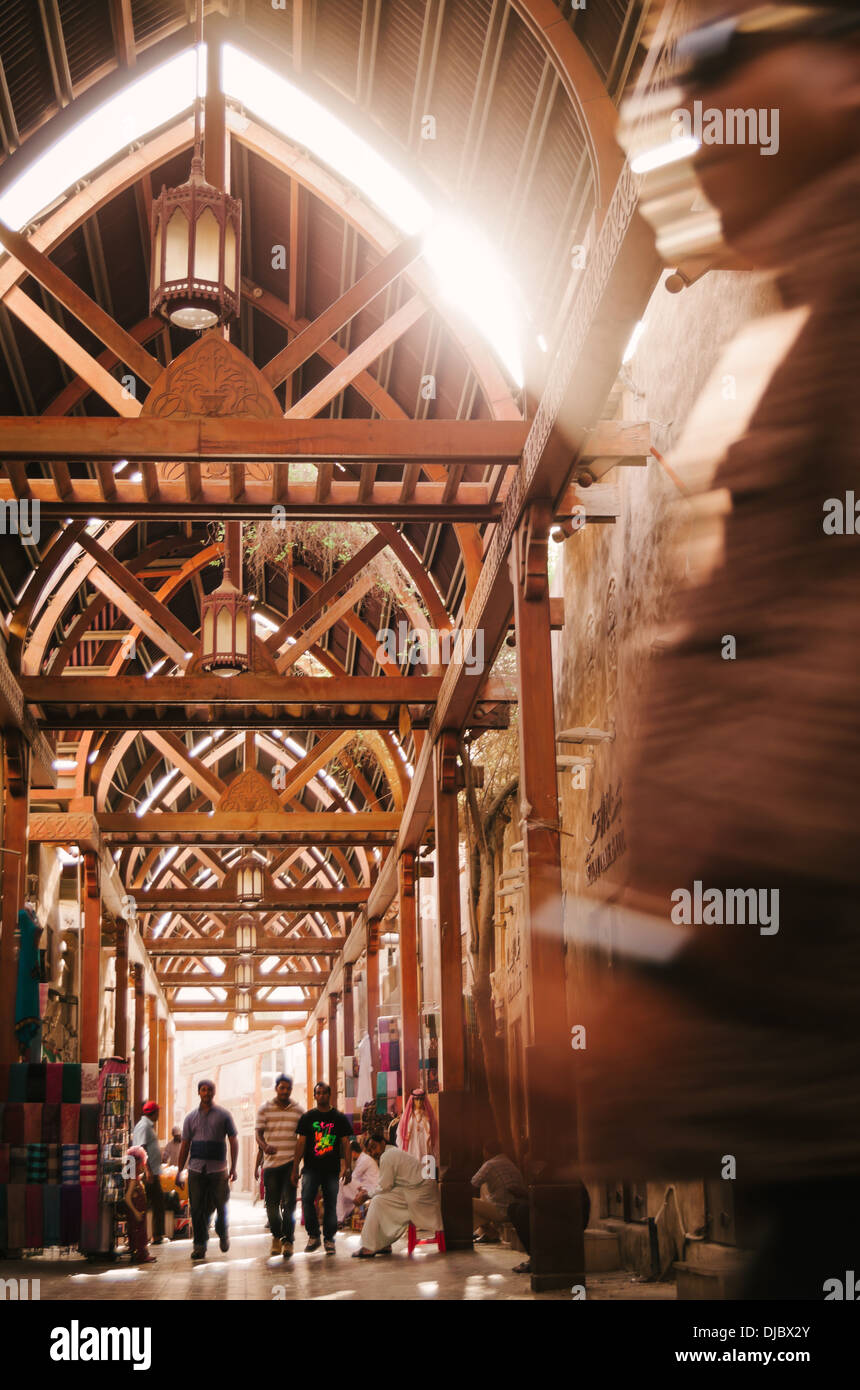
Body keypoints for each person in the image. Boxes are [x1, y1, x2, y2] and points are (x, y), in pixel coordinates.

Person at [578, 0, 860, 1299]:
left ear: (839, 66)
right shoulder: (803, 309)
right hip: (789, 1074)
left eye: (718, 53)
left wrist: (680, 930)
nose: (694, 109)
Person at [353, 1130, 443, 1258]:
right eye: (370, 1151)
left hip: (419, 1194)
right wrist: (368, 1193)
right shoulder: (393, 1153)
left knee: (378, 1201)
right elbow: (387, 1185)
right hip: (418, 1191)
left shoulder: (387, 1156)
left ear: (383, 1142)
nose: (374, 1152)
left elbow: (384, 1186)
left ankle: (369, 1247)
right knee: (380, 1200)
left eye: (374, 1147)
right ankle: (383, 1244)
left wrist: (366, 1196)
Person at [176, 1079, 238, 1262]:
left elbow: (233, 1140)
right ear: (198, 1092)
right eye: (203, 1090)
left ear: (214, 1092)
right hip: (196, 1170)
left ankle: (221, 1229)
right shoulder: (190, 1118)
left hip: (218, 1170)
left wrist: (233, 1167)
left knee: (221, 1204)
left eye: (209, 1090)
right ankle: (199, 1246)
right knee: (196, 1209)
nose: (206, 1093)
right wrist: (179, 1171)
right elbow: (185, 1145)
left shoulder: (224, 1115)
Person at [291, 1082, 353, 1254]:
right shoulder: (307, 1118)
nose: (322, 1095)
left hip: (331, 1169)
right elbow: (301, 1143)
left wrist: (348, 1168)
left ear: (329, 1095)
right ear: (315, 1096)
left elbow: (346, 1143)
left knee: (330, 1204)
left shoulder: (339, 1118)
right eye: (319, 1093)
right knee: (307, 1200)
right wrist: (295, 1167)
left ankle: (329, 1240)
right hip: (311, 1168)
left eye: (325, 1092)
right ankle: (313, 1236)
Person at [256, 1072, 303, 1258]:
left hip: (291, 1164)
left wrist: (298, 1164)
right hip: (271, 1165)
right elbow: (258, 1134)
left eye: (288, 1088)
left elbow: (302, 1139)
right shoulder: (264, 1109)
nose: (285, 1091)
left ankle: (288, 1241)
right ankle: (277, 1236)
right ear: (276, 1088)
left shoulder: (299, 1110)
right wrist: (264, 1146)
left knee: (290, 1204)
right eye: (282, 1088)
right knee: (272, 1205)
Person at [470, 1142, 526, 1244]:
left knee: (468, 1202)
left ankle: (489, 1233)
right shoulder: (510, 1162)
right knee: (486, 1191)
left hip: (503, 1211)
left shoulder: (490, 1164)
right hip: (516, 1210)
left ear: (486, 1152)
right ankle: (486, 1233)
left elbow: (473, 1184)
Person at [132, 1099, 165, 1246]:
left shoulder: (147, 1126)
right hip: (148, 1173)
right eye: (158, 1111)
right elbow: (141, 1148)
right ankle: (154, 1236)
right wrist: (148, 1170)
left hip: (152, 1171)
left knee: (156, 1203)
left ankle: (155, 1235)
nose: (159, 1114)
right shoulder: (144, 1126)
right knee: (155, 1203)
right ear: (153, 1113)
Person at [123, 1146, 156, 1265]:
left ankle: (141, 1253)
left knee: (138, 1231)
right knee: (139, 1232)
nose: (143, 1165)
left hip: (139, 1209)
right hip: (136, 1210)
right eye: (142, 1163)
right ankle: (141, 1255)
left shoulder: (134, 1176)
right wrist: (135, 1212)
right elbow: (127, 1197)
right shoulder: (132, 1179)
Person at [337, 1138, 380, 1225]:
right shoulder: (362, 1159)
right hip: (366, 1186)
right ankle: (342, 1216)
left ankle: (340, 1218)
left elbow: (352, 1177)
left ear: (352, 1152)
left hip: (370, 1189)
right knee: (342, 1186)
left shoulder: (364, 1160)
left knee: (342, 1182)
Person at [397, 1088, 438, 1166]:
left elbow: (435, 1136)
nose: (419, 1102)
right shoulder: (406, 1117)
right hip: (411, 1149)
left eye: (421, 1099)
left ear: (424, 1100)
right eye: (416, 1099)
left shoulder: (429, 1117)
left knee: (426, 1174)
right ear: (412, 1100)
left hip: (425, 1149)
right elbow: (400, 1134)